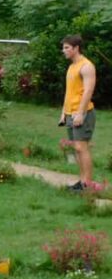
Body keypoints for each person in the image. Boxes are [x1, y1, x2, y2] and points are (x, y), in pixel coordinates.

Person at [59, 35, 96, 191]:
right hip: (70, 112)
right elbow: (70, 92)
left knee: (82, 147)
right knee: (76, 148)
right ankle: (81, 182)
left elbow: (88, 91)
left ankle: (87, 184)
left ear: (76, 48)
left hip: (82, 113)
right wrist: (63, 113)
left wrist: (80, 113)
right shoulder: (71, 66)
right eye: (63, 47)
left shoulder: (86, 66)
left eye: (67, 47)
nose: (63, 51)